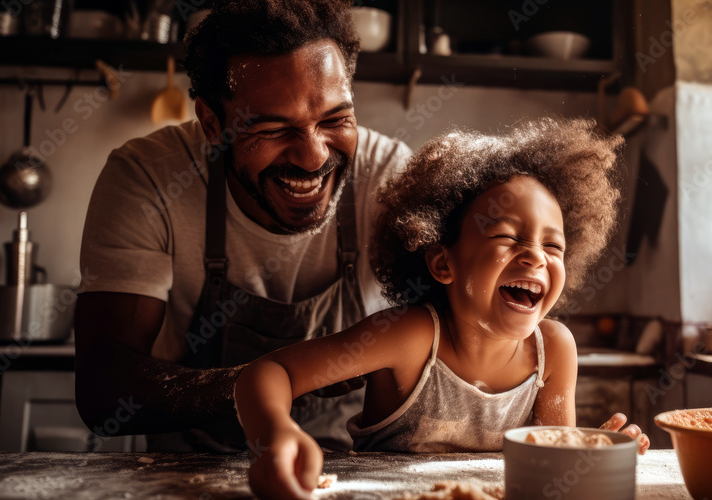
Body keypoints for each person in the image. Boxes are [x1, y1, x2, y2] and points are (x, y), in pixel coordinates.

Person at [234, 117, 651, 499]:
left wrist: (593, 452)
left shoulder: (554, 350)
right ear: (442, 262)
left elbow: (554, 473)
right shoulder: (409, 338)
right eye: (508, 237)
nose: (537, 257)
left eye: (552, 245)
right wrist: (274, 434)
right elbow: (270, 372)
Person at [74, 0, 412, 451]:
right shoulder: (149, 177)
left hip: (352, 470)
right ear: (212, 124)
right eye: (273, 129)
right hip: (189, 473)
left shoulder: (390, 178)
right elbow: (103, 391)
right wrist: (275, 383)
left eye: (335, 119)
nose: (312, 157)